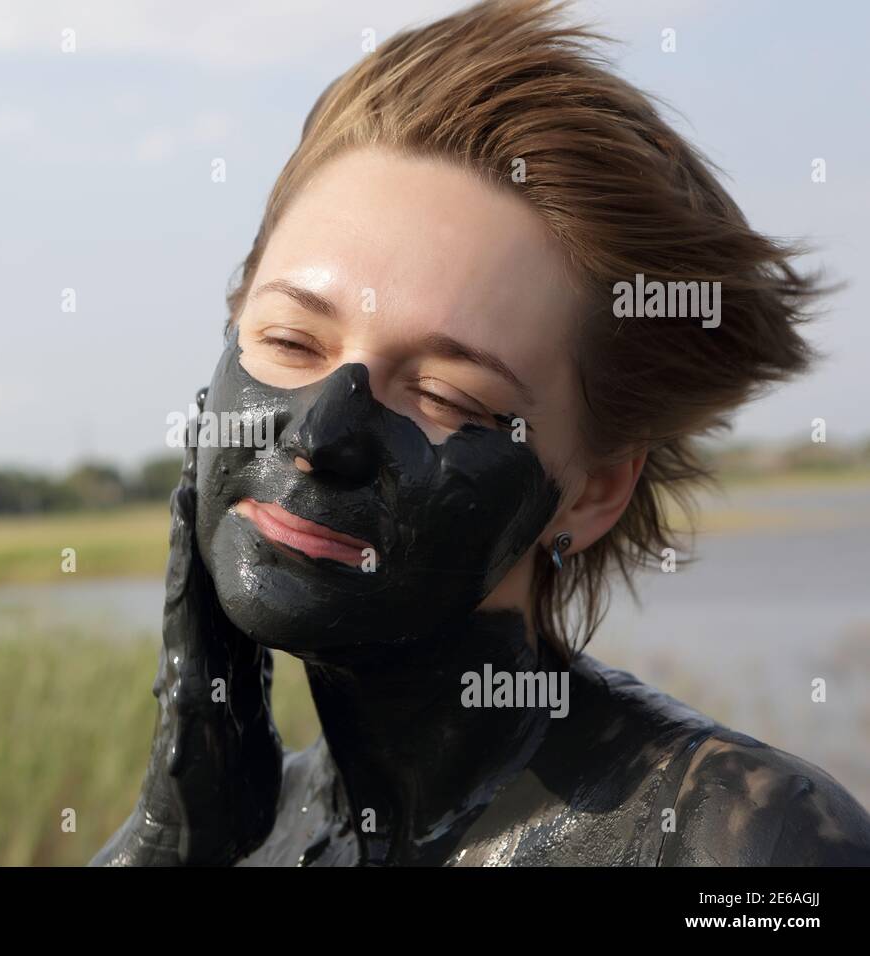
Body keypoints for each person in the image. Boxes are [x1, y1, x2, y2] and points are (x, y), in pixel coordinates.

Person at [92, 0, 870, 866]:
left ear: (597, 488)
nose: (322, 435)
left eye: (449, 396)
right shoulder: (246, 830)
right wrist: (164, 842)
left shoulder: (737, 836)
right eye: (289, 340)